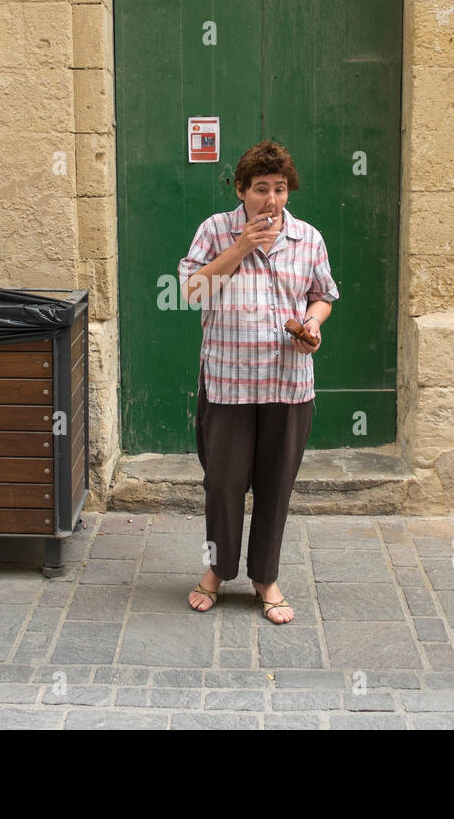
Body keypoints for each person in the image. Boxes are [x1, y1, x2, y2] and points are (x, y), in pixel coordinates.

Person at [176, 140, 339, 624]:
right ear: (241, 190)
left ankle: (265, 578)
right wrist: (241, 246)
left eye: (280, 189)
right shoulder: (214, 230)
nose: (271, 200)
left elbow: (322, 294)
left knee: (275, 487)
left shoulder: (308, 238)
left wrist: (313, 324)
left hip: (288, 385)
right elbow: (191, 291)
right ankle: (216, 570)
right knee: (222, 485)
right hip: (228, 382)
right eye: (261, 189)